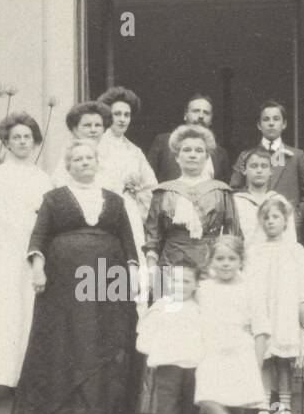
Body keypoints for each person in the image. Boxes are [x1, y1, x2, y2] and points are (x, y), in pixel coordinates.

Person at [10, 143, 140, 414]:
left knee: (103, 333)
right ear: (68, 166)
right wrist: (38, 269)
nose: (83, 162)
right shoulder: (53, 199)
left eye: (89, 158)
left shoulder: (115, 201)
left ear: (97, 162)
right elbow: (39, 237)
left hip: (107, 277)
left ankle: (102, 407)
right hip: (64, 279)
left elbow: (129, 243)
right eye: (77, 159)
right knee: (70, 334)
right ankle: (63, 408)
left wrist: (133, 275)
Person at [0, 112, 53, 393]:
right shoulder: (0, 174)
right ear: (7, 143)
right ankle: (1, 379)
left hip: (37, 252)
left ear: (35, 141)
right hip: (8, 250)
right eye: (16, 138)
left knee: (32, 309)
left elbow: (48, 217)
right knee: (6, 309)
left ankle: (27, 378)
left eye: (27, 137)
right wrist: (20, 237)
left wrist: (37, 247)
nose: (23, 142)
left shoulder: (43, 178)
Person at [195, 235, 270, 414]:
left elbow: (261, 329)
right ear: (211, 260)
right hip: (211, 351)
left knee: (235, 408)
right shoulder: (203, 289)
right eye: (220, 258)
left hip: (240, 352)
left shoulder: (250, 288)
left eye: (231, 258)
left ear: (241, 261)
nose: (226, 264)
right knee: (207, 398)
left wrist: (257, 365)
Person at [245, 194, 304, 414]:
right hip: (263, 310)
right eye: (266, 218)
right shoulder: (254, 251)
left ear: (285, 221)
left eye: (276, 217)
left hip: (285, 310)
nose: (271, 221)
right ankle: (264, 404)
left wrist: (303, 305)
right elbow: (247, 282)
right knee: (265, 356)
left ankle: (284, 406)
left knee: (283, 359)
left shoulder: (295, 250)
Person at [142, 124, 241, 282]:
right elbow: (152, 238)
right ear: (176, 157)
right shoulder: (163, 192)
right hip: (171, 263)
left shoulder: (221, 192)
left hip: (210, 265)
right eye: (187, 150)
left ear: (207, 157)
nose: (192, 155)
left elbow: (234, 235)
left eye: (199, 150)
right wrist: (152, 270)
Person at [136, 258, 203, 414]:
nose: (180, 285)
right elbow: (144, 337)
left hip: (193, 371)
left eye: (186, 281)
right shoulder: (162, 306)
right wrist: (158, 350)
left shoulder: (199, 309)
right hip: (168, 371)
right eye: (175, 280)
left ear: (196, 285)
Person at [91, 86, 158, 268]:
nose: (122, 119)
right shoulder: (94, 146)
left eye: (126, 115)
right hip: (100, 213)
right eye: (117, 114)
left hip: (129, 214)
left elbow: (150, 187)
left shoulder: (135, 152)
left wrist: (136, 194)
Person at [229, 100, 304, 230]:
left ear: (284, 124)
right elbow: (234, 190)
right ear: (259, 125)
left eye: (276, 119)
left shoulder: (297, 156)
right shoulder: (245, 156)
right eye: (266, 119)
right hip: (252, 225)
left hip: (285, 225)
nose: (271, 123)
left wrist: (296, 215)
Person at [146, 94, 230, 182]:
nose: (201, 116)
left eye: (206, 113)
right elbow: (148, 181)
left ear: (211, 120)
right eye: (196, 111)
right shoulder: (164, 142)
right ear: (185, 115)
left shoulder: (220, 153)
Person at [232, 146, 296, 252]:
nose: (259, 170)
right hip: (246, 257)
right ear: (244, 170)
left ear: (271, 171)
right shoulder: (235, 201)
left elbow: (290, 236)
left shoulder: (279, 201)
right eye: (254, 166)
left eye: (264, 166)